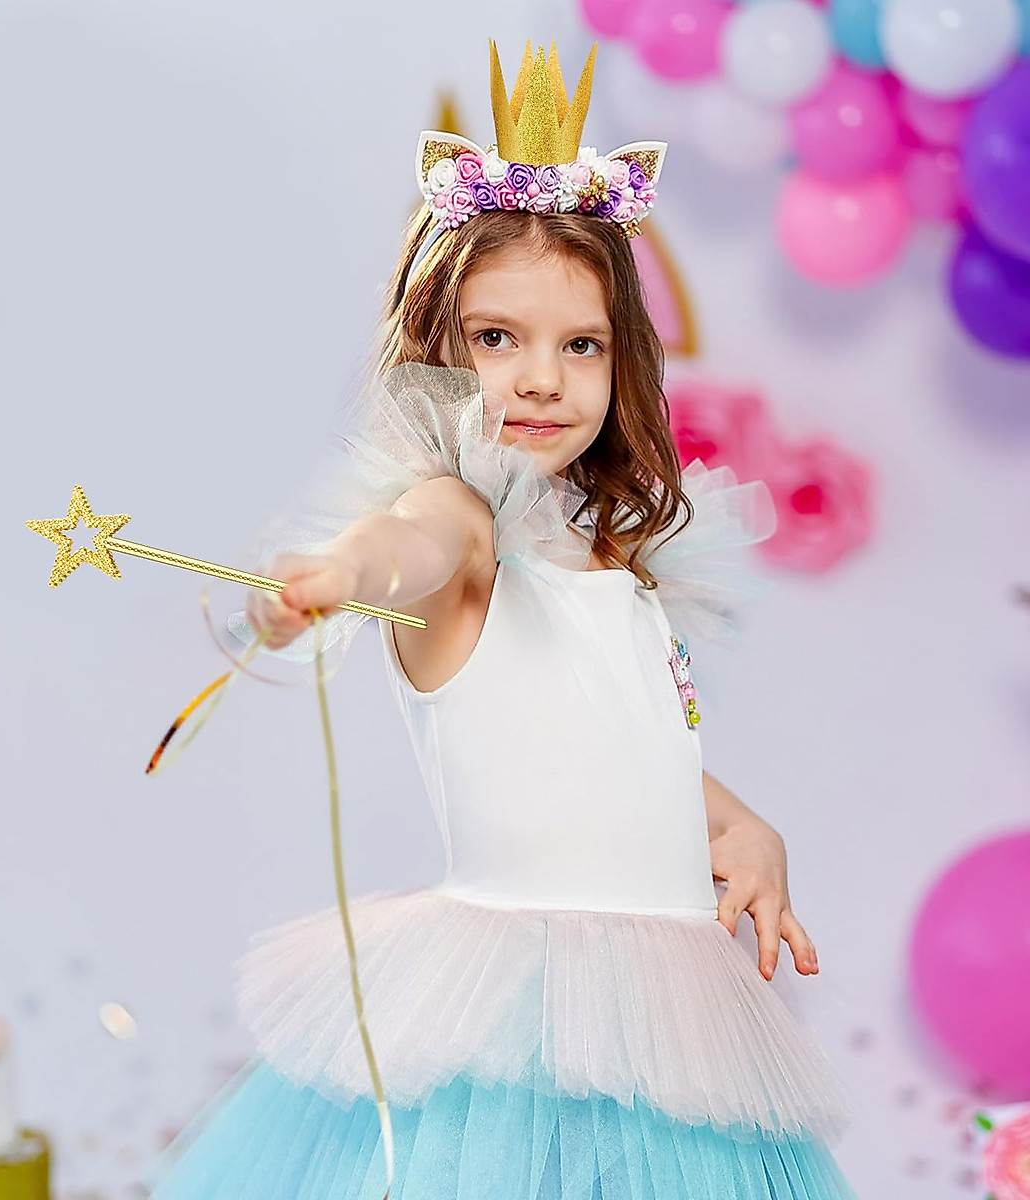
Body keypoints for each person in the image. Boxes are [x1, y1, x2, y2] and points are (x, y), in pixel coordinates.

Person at [149, 38, 858, 1200]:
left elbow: (621, 742)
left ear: (622, 360)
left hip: (662, 1024)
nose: (540, 378)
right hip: (514, 1017)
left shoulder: (617, 562)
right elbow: (411, 543)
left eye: (580, 345)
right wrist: (340, 568)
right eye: (497, 339)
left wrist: (739, 825)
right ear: (438, 348)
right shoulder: (460, 523)